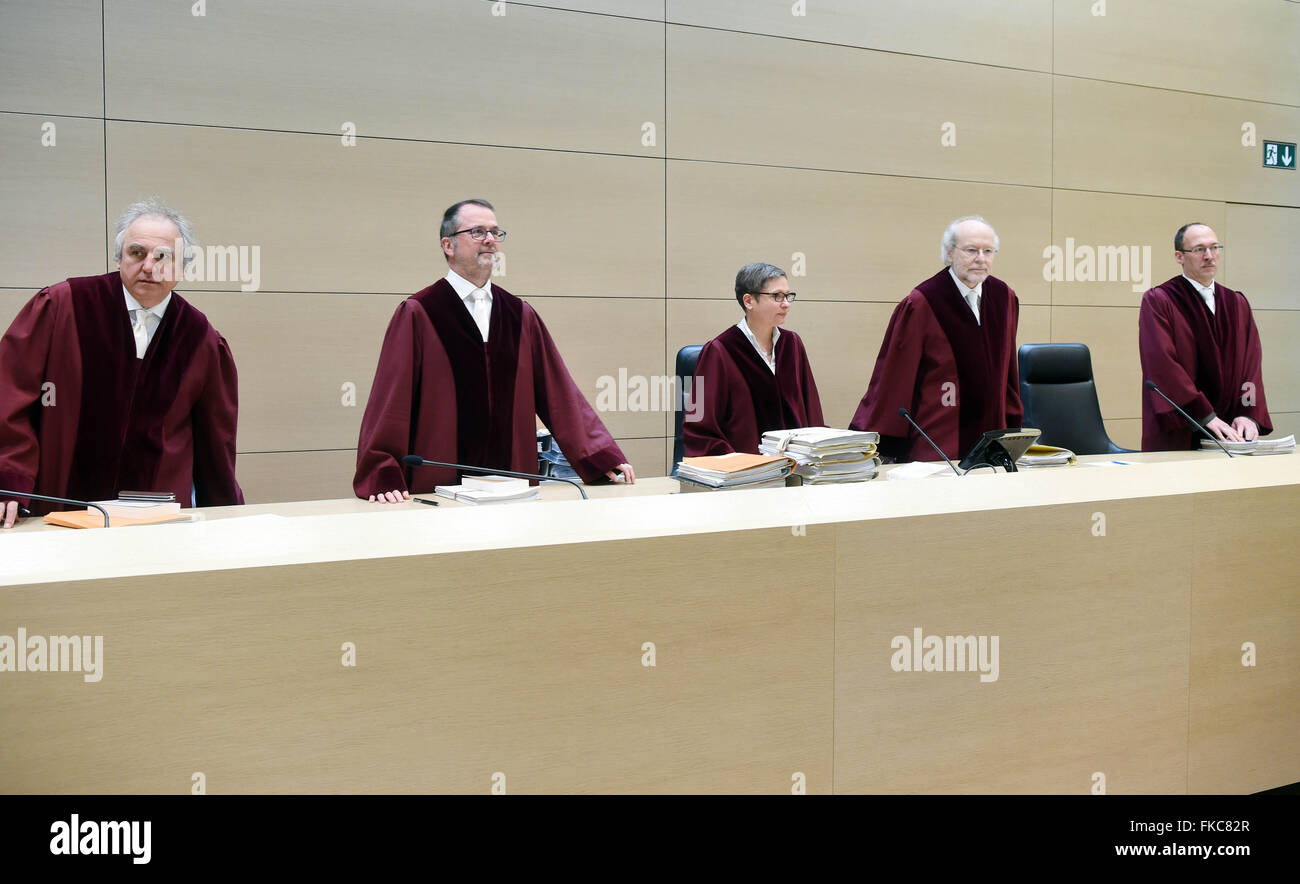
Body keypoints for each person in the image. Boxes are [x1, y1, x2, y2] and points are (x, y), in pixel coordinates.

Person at [354, 199, 634, 501]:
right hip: (439, 488)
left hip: (512, 485)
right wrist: (383, 471)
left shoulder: (519, 314)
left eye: (495, 233)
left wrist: (598, 455)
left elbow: (559, 392)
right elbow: (391, 401)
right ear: (448, 245)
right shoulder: (419, 312)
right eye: (477, 232)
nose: (489, 240)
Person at [0, 198, 243, 528]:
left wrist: (227, 517)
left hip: (155, 522)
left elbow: (216, 443)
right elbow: (9, 396)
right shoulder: (64, 306)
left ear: (182, 268)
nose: (148, 267)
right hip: (59, 510)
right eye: (137, 253)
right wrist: (10, 480)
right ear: (119, 257)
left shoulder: (200, 338)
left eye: (163, 257)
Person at [849, 215, 1022, 462]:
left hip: (992, 436)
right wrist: (888, 442)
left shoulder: (1004, 298)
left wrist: (1013, 424)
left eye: (988, 251)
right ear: (949, 253)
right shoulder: (923, 302)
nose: (981, 259)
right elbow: (896, 377)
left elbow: (1009, 373)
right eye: (971, 250)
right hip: (939, 443)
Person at [1138, 223, 1271, 451]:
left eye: (1214, 248)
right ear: (1179, 256)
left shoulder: (1236, 303)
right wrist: (1203, 414)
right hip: (1182, 428)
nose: (1209, 256)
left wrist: (1247, 413)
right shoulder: (1160, 300)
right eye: (1199, 249)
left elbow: (1251, 365)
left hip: (1232, 431)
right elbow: (1162, 365)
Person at [683, 262, 824, 456]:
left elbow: (812, 412)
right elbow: (698, 429)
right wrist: (737, 464)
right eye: (777, 296)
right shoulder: (718, 351)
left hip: (796, 470)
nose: (786, 303)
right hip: (746, 474)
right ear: (749, 301)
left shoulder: (792, 344)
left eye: (788, 295)